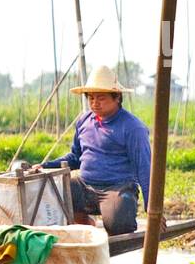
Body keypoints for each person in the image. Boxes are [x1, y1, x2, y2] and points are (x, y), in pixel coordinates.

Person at [38, 65, 151, 235]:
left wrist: (153, 211)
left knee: (118, 226)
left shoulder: (133, 127)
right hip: (85, 186)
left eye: (101, 98)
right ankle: (86, 227)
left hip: (117, 188)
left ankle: (114, 227)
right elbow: (75, 157)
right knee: (53, 193)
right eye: (90, 98)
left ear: (117, 98)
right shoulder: (84, 121)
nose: (94, 103)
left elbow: (144, 168)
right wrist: (45, 166)